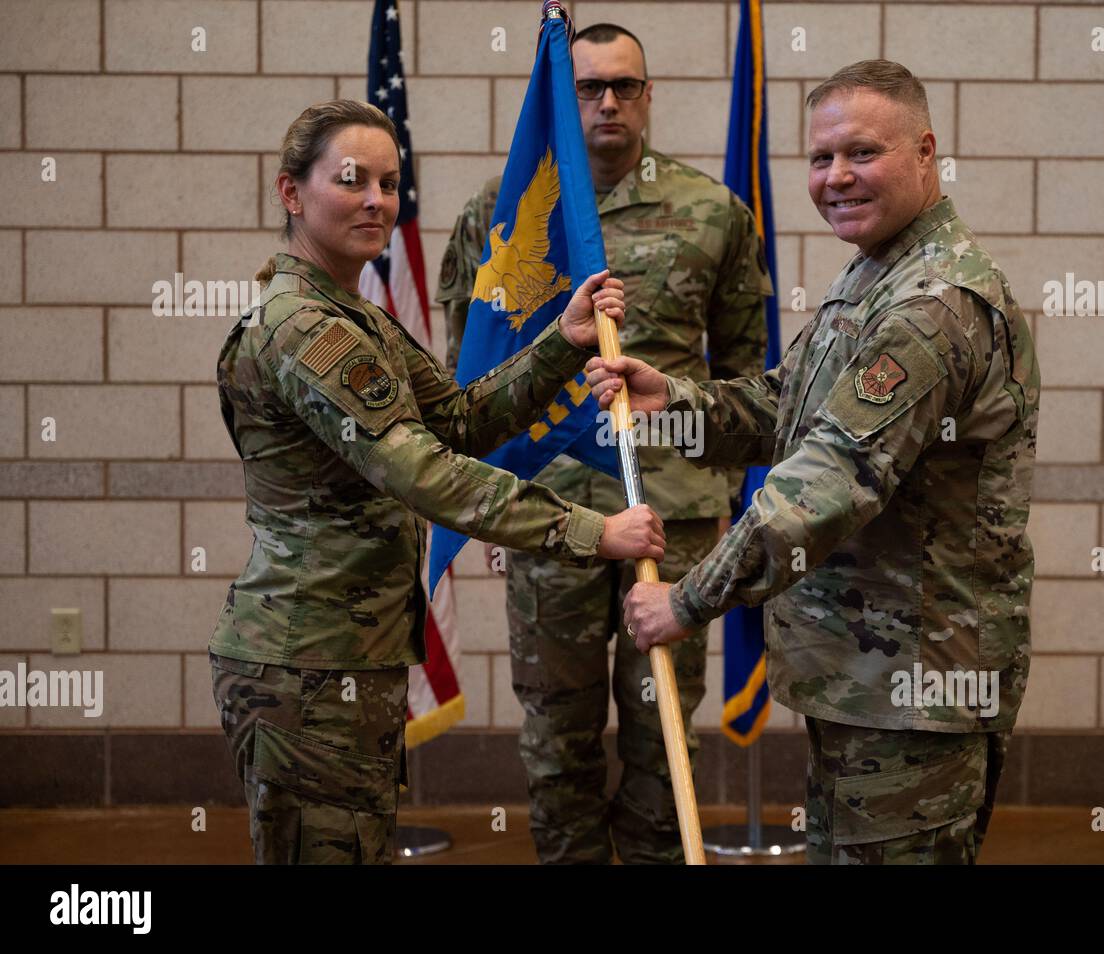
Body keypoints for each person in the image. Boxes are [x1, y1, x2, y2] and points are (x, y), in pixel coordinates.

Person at [589, 60, 1040, 865]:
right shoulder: (874, 276)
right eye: (822, 158)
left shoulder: (931, 306)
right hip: (863, 677)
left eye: (862, 154)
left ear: (926, 152)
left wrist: (688, 600)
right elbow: (787, 408)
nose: (836, 178)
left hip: (912, 691)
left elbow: (826, 480)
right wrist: (675, 401)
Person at [208, 99, 664, 865]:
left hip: (349, 655)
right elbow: (420, 470)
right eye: (352, 181)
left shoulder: (355, 316)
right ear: (292, 193)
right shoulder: (306, 328)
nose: (377, 201)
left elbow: (455, 420)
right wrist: (591, 532)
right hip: (308, 662)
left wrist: (563, 342)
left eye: (390, 183)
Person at [436, 23, 770, 864]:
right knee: (557, 731)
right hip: (547, 510)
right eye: (589, 87)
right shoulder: (500, 213)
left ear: (649, 95)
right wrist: (486, 500)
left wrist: (727, 497)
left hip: (675, 512)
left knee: (663, 731)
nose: (609, 102)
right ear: (564, 96)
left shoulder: (712, 213)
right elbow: (468, 376)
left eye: (626, 85)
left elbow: (745, 376)